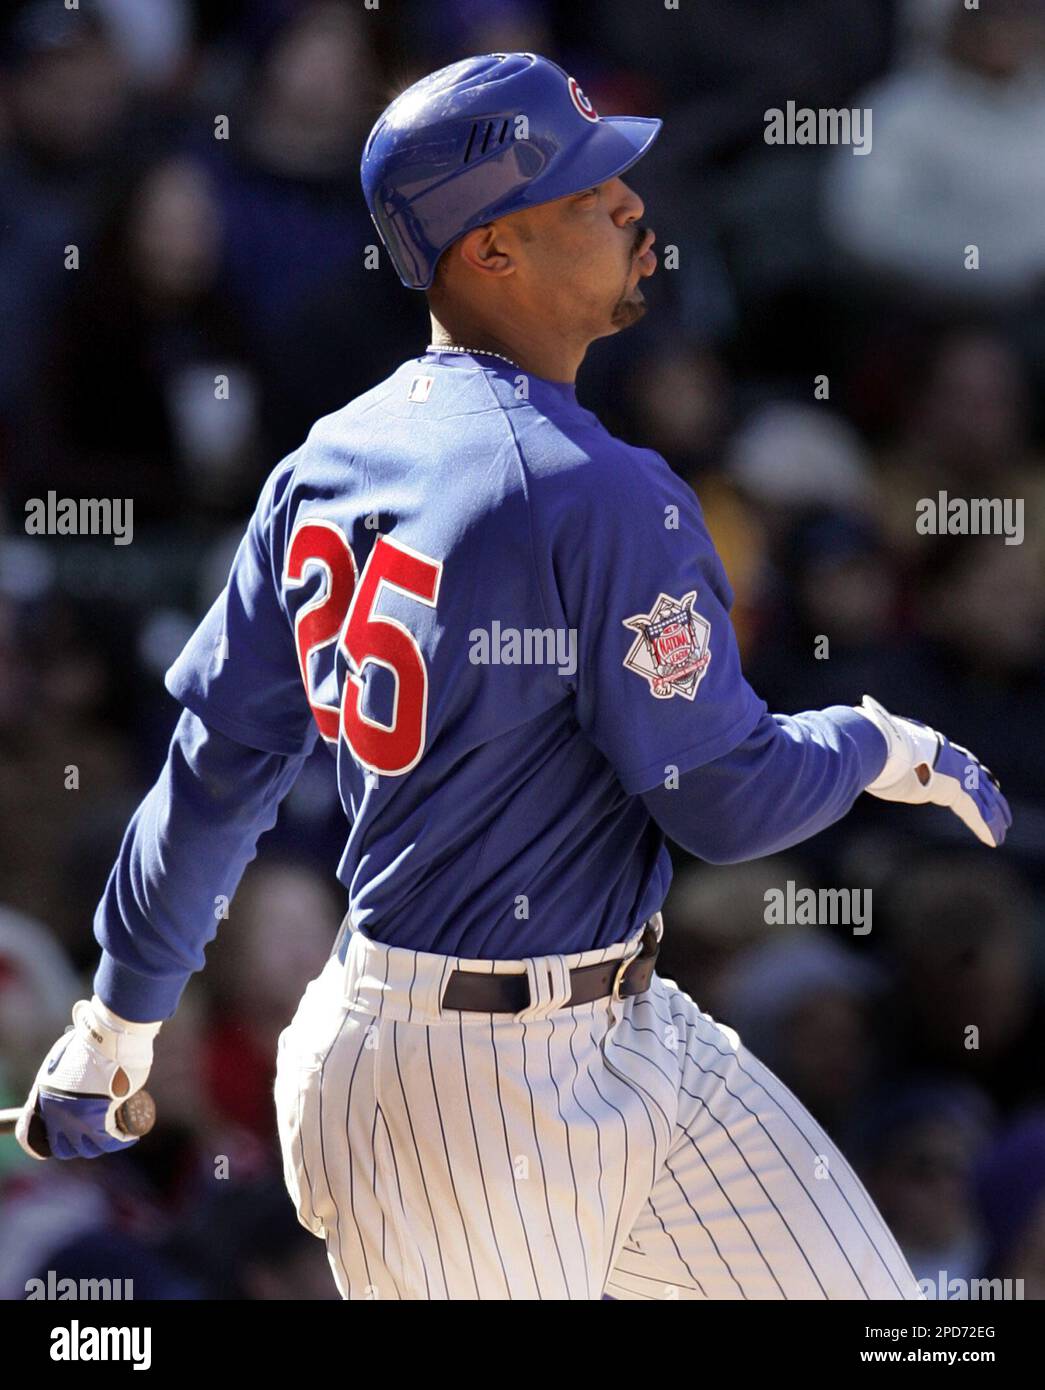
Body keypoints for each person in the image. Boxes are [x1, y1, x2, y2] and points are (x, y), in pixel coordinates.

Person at [16, 53, 1010, 1301]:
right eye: (591, 192)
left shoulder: (326, 464)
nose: (633, 206)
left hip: (619, 1029)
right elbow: (719, 796)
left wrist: (114, 1022)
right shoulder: (595, 492)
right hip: (463, 1094)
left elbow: (211, 783)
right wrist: (875, 747)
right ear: (491, 252)